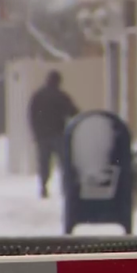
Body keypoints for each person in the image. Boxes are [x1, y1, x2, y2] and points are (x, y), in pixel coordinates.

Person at [28, 70, 79, 198]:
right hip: (58, 134)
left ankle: (43, 186)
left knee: (44, 163)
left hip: (42, 136)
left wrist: (35, 132)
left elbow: (31, 115)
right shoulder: (61, 96)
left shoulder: (37, 96)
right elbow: (72, 112)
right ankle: (65, 188)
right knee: (63, 163)